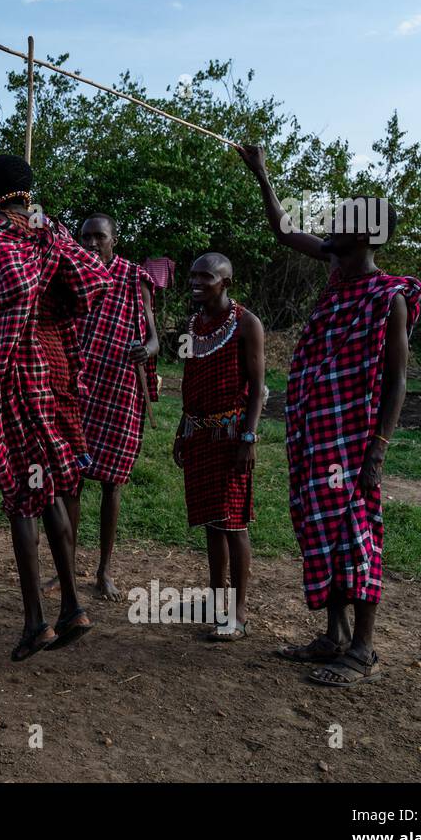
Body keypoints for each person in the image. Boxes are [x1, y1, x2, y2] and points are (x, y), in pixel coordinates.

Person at [238, 143, 421, 687]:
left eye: (341, 221)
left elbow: (398, 380)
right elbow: (283, 229)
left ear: (364, 235)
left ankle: (362, 649)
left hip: (353, 442)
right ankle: (334, 635)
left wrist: (378, 452)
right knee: (318, 531)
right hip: (314, 437)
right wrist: (263, 174)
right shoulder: (336, 269)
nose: (330, 225)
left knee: (356, 534)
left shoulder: (388, 297)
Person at [0, 155, 110, 660]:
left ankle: (39, 620)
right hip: (41, 360)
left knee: (22, 493)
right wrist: (48, 240)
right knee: (43, 485)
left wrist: (45, 243)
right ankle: (70, 607)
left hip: (22, 364)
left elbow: (27, 286)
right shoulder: (49, 231)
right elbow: (88, 277)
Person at [172, 252, 264, 641]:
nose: (196, 283)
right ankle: (214, 600)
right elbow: (189, 383)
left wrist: (248, 436)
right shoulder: (191, 325)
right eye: (192, 276)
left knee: (234, 523)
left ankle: (238, 613)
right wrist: (181, 429)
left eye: (205, 277)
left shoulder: (247, 324)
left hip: (231, 435)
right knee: (212, 520)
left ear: (225, 282)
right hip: (199, 434)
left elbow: (258, 388)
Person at [74, 213, 160, 600]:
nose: (92, 244)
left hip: (121, 389)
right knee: (70, 480)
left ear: (114, 239)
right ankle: (68, 564)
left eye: (99, 237)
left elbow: (155, 337)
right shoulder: (71, 272)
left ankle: (104, 569)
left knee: (113, 482)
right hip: (78, 386)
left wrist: (147, 349)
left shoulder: (133, 277)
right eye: (86, 237)